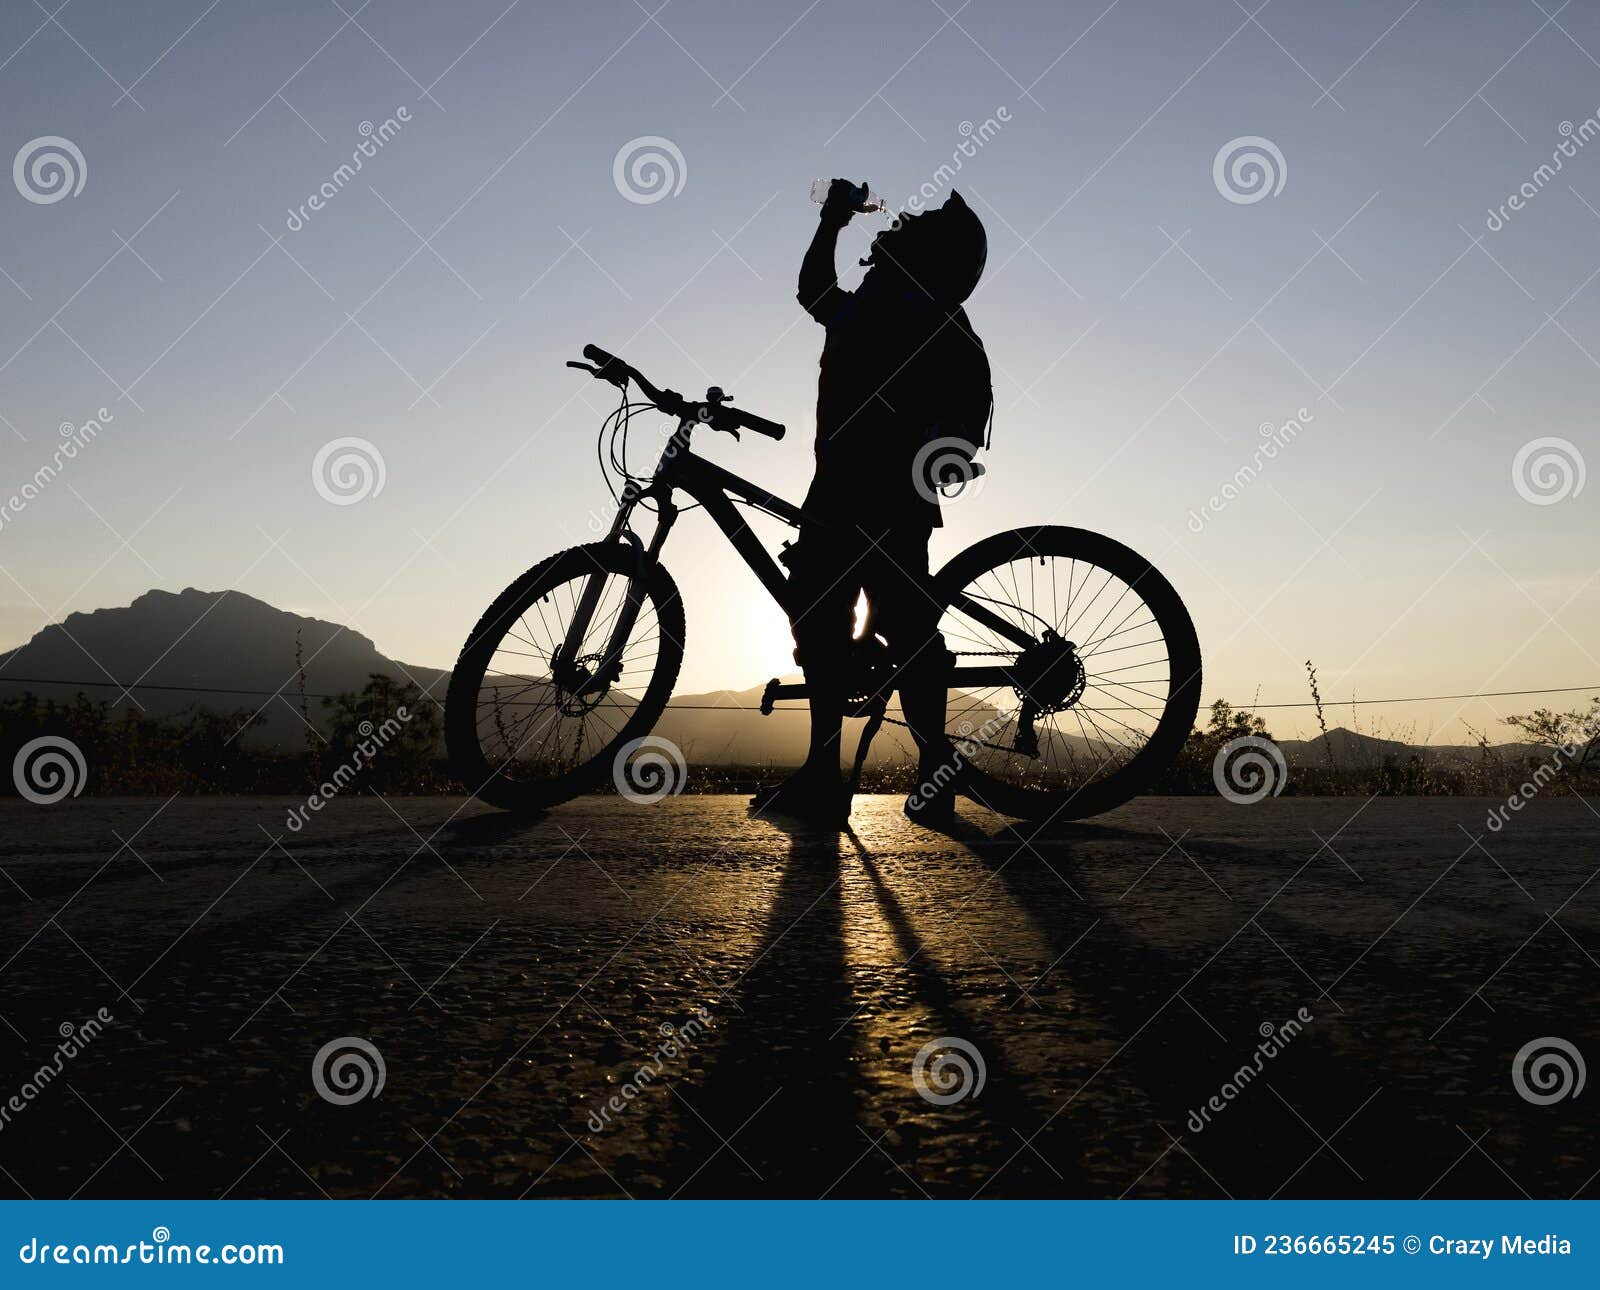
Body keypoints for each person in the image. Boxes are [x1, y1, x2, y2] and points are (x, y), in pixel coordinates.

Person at [751, 178, 992, 828]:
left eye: (912, 230)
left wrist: (832, 220)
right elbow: (822, 299)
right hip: (883, 491)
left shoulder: (900, 301)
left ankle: (825, 782)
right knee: (904, 627)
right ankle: (930, 769)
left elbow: (816, 294)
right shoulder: (923, 305)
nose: (896, 230)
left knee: (825, 617)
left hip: (859, 490)